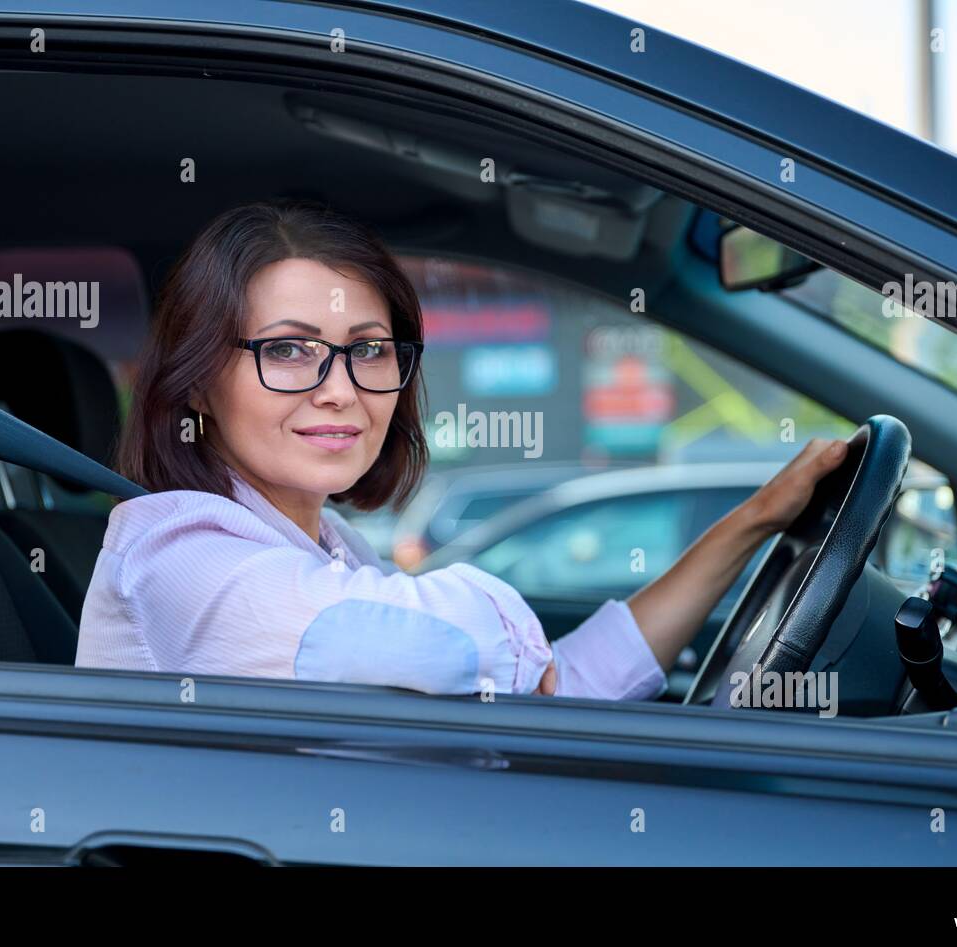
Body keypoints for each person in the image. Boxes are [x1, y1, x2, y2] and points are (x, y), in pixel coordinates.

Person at [75, 200, 847, 700]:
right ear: (199, 381)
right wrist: (519, 643)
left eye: (369, 350)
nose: (341, 388)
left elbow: (562, 691)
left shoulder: (327, 547)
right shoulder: (173, 549)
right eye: (288, 350)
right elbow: (428, 645)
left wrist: (752, 522)